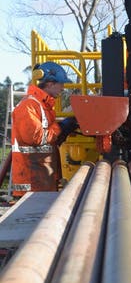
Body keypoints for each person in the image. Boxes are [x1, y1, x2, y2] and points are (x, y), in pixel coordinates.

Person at [11, 62, 79, 198]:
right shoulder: (29, 105)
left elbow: (46, 137)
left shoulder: (42, 106)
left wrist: (61, 130)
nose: (63, 88)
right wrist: (61, 127)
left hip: (40, 181)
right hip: (31, 185)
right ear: (50, 84)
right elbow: (36, 137)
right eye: (61, 84)